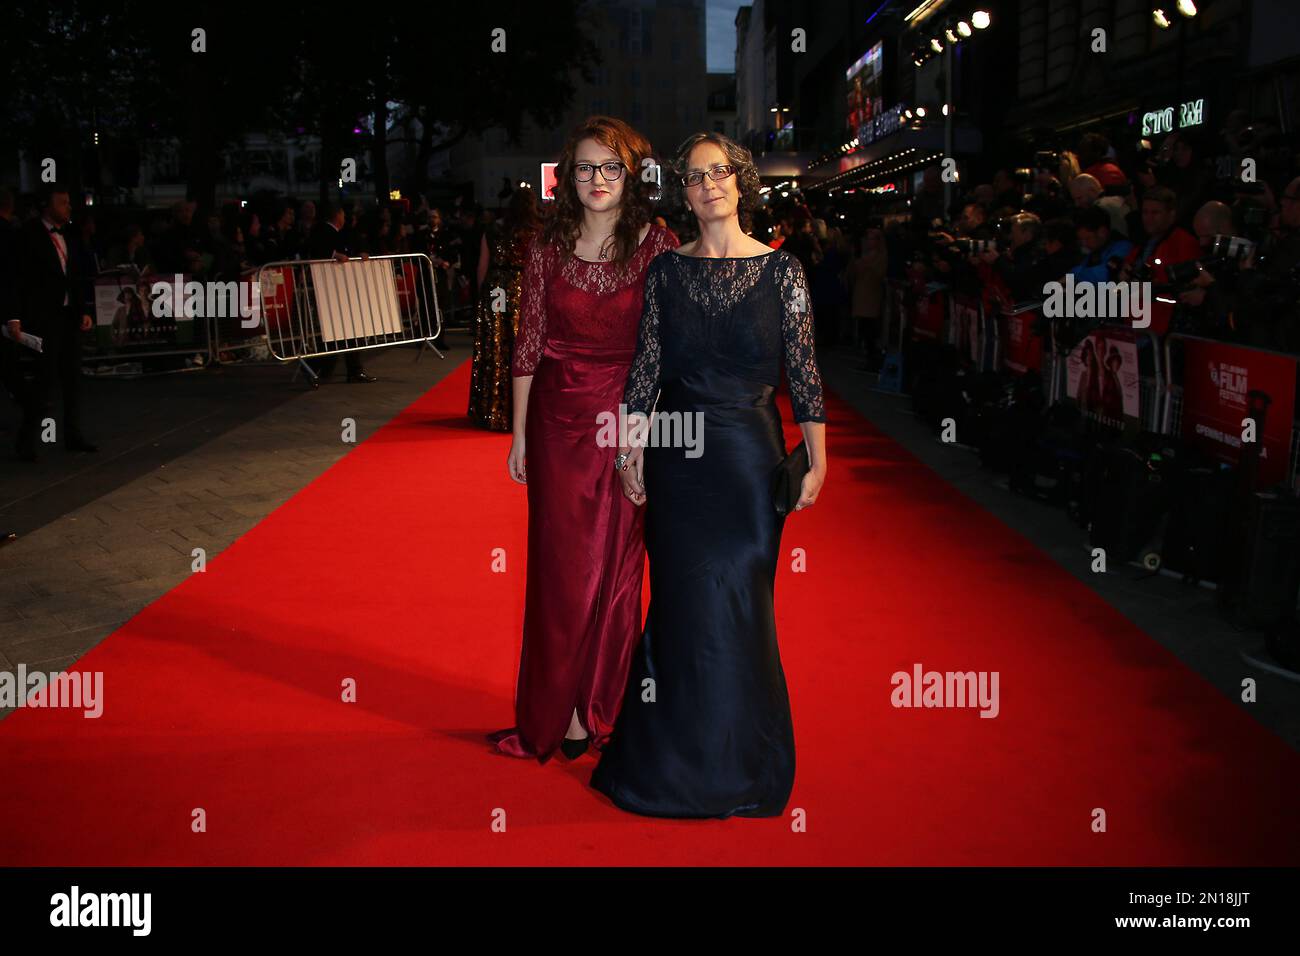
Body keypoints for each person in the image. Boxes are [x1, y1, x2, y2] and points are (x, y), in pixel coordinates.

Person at [590, 131, 828, 819]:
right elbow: (645, 368)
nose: (707, 185)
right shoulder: (666, 273)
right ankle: (673, 763)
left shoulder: (783, 271)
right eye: (694, 177)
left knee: (743, 604)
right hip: (678, 457)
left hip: (751, 460)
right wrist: (629, 449)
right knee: (684, 608)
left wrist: (818, 455)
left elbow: (805, 375)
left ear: (740, 181)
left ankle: (745, 764)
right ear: (684, 192)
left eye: (719, 172)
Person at [490, 116, 680, 763]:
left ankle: (601, 707)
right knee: (561, 573)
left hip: (627, 422)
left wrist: (645, 433)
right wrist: (517, 435)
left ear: (632, 175)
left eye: (611, 167)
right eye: (585, 168)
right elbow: (528, 343)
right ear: (568, 177)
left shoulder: (659, 246)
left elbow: (664, 350)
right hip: (555, 423)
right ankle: (558, 712)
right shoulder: (546, 247)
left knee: (619, 573)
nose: (597, 179)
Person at [8, 185, 98, 460]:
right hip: (44, 318)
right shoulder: (28, 235)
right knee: (44, 380)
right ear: (47, 206)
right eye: (62, 203)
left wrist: (81, 309)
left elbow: (72, 275)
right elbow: (18, 278)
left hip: (67, 316)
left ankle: (73, 434)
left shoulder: (68, 235)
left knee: (73, 379)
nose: (68, 207)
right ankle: (27, 441)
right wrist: (17, 317)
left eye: (68, 202)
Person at [468, 186, 542, 431]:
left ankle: (493, 411)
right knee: (525, 350)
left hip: (495, 291)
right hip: (525, 291)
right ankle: (525, 413)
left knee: (496, 350)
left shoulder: (493, 230)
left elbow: (482, 267)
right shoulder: (538, 232)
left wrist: (482, 298)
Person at [305, 202, 375, 383]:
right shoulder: (321, 230)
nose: (345, 218)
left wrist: (360, 253)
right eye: (343, 215)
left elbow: (349, 247)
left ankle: (349, 369)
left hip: (340, 290)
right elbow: (318, 249)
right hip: (330, 290)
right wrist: (335, 254)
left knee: (346, 331)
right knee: (335, 332)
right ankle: (318, 369)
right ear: (337, 216)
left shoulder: (338, 233)